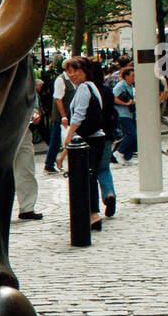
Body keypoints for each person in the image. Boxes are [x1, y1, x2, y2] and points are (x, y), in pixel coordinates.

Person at [58, 55, 105, 231]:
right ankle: (92, 214)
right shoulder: (90, 87)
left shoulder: (85, 88)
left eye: (76, 70)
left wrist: (69, 136)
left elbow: (79, 114)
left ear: (85, 71)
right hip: (94, 138)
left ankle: (93, 214)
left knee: (87, 177)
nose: (72, 75)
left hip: (89, 138)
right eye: (69, 71)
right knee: (89, 176)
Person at [90, 60, 117, 217]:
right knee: (104, 167)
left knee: (93, 170)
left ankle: (96, 205)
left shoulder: (88, 90)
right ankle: (109, 194)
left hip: (93, 134)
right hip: (107, 132)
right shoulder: (106, 90)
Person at [44, 60, 75, 174]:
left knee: (63, 139)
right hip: (61, 116)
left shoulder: (71, 79)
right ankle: (49, 164)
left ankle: (56, 160)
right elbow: (58, 99)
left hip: (69, 114)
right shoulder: (61, 80)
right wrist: (63, 117)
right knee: (56, 140)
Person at [13, 110, 43, 220]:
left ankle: (27, 208)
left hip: (24, 128)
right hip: (2, 128)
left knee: (26, 169)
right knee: (1, 171)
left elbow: (31, 101)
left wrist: (35, 114)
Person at [112, 65, 136, 163]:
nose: (134, 78)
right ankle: (119, 151)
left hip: (130, 113)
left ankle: (127, 157)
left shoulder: (130, 86)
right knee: (132, 133)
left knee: (134, 135)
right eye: (132, 76)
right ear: (126, 76)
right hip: (122, 113)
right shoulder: (121, 85)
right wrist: (126, 103)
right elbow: (114, 98)